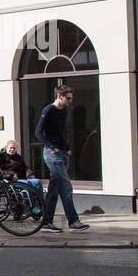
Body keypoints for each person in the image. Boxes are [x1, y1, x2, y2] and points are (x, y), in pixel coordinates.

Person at [34, 84, 90, 233]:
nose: (70, 101)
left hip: (63, 152)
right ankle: (73, 220)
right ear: (60, 96)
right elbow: (38, 133)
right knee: (66, 187)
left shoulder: (63, 111)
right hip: (52, 154)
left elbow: (61, 132)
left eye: (71, 98)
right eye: (68, 98)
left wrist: (67, 147)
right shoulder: (48, 110)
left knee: (54, 190)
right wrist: (52, 147)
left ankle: (46, 222)